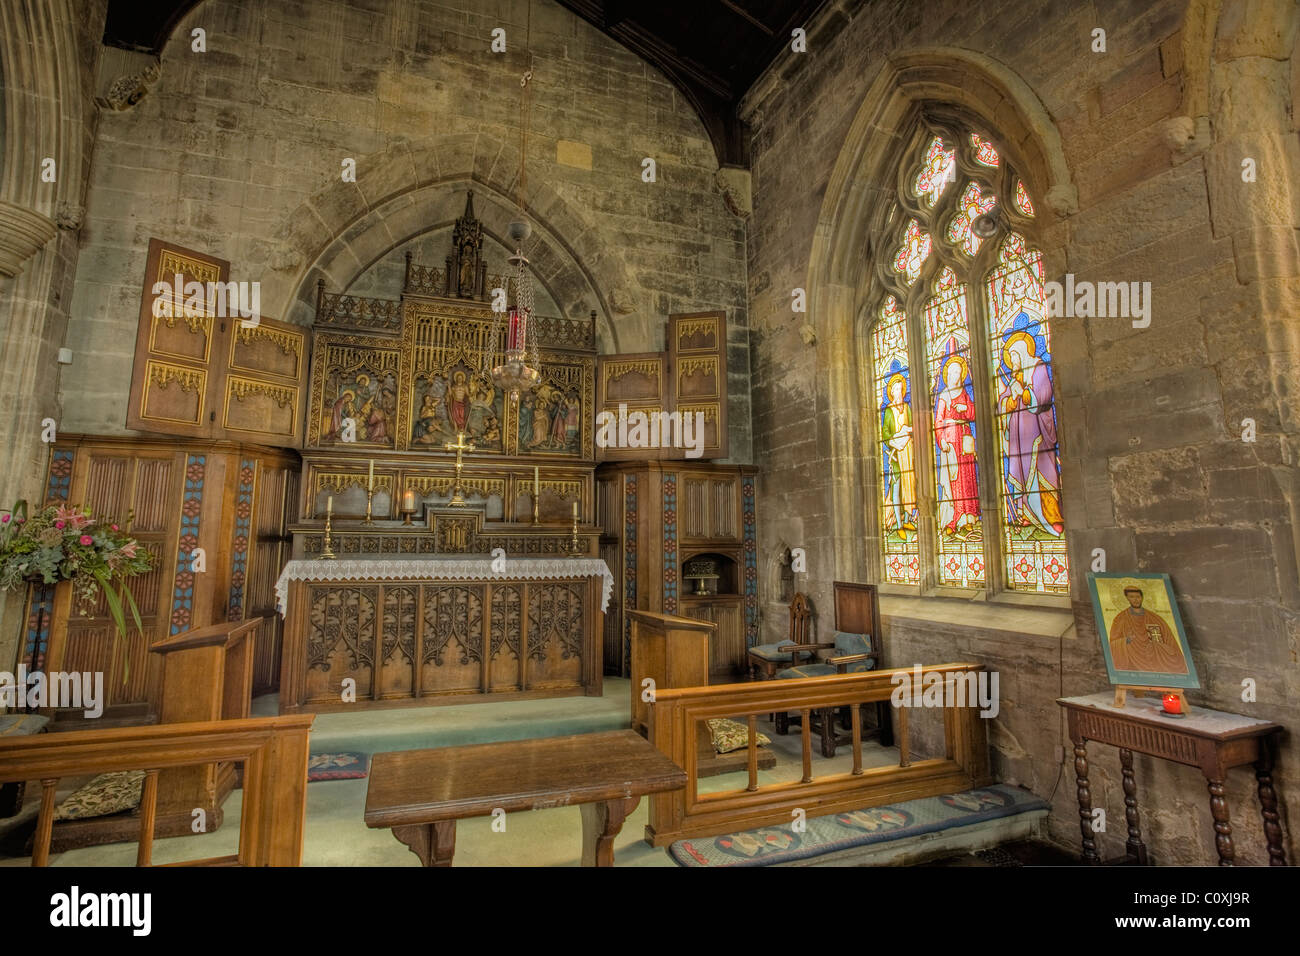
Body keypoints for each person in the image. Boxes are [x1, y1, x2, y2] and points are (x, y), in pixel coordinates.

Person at [999, 331, 1063, 535]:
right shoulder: (1015, 378)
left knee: (1042, 472)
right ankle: (1026, 514)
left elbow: (1044, 396)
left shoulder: (1038, 368)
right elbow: (1003, 403)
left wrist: (1024, 393)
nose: (1012, 361)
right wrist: (1010, 399)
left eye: (1014, 355)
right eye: (1010, 356)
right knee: (1021, 471)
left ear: (1023, 352)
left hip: (1037, 434)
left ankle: (1051, 516)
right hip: (1018, 436)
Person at [934, 354, 979, 536]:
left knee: (967, 479)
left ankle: (967, 518)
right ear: (947, 375)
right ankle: (953, 519)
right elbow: (938, 420)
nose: (955, 376)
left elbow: (973, 413)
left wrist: (966, 409)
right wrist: (941, 439)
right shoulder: (944, 395)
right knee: (953, 480)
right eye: (952, 373)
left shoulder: (964, 393)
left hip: (965, 440)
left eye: (958, 373)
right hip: (951, 442)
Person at [1108, 586, 1187, 673]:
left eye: (1138, 597)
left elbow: (1170, 641)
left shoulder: (1155, 618)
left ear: (1142, 597)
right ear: (1127, 598)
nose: (1135, 600)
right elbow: (1113, 643)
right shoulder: (1121, 618)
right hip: (1133, 660)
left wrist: (1158, 646)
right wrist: (1126, 640)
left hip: (1156, 659)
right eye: (1132, 597)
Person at [880, 373, 915, 539]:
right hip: (895, 453)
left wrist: (909, 432)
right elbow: (885, 433)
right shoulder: (888, 410)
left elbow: (913, 425)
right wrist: (894, 439)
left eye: (901, 389)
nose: (899, 392)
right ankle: (899, 525)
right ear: (891, 392)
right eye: (896, 389)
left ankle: (907, 519)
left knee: (910, 486)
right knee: (896, 488)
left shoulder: (907, 408)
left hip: (908, 451)